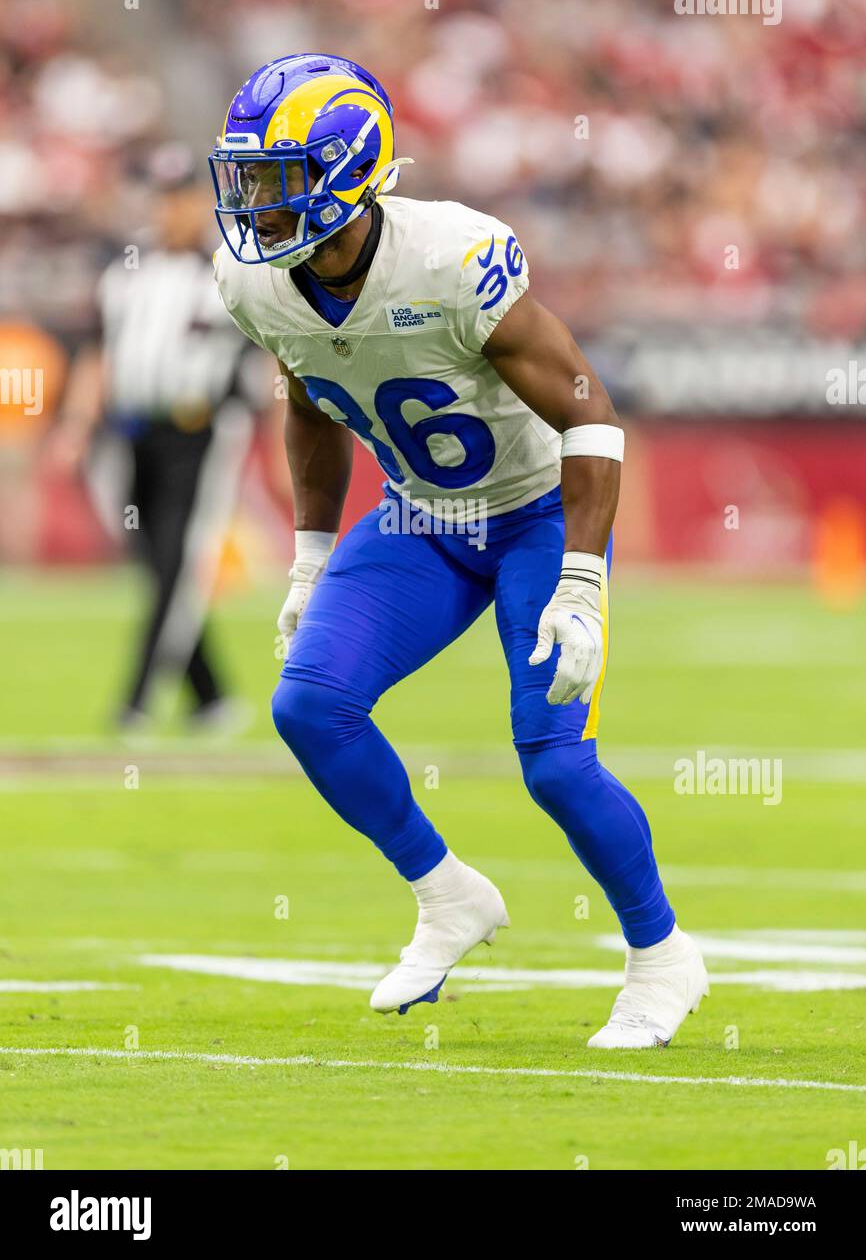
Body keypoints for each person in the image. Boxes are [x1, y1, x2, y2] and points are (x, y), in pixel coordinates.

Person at [211, 53, 709, 1047]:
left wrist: (580, 579)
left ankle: (661, 954)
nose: (254, 204)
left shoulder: (448, 257)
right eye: (247, 179)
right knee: (310, 705)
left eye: (277, 178)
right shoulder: (254, 282)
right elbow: (307, 399)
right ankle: (447, 894)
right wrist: (311, 556)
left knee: (555, 764)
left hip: (534, 513)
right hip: (421, 517)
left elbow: (590, 413)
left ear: (347, 173)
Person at [50, 145, 262, 731]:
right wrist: (76, 425)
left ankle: (136, 703)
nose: (170, 209)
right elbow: (97, 353)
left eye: (181, 197)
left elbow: (269, 356)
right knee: (158, 567)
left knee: (176, 564)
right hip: (131, 437)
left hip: (199, 432)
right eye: (162, 197)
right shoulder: (125, 273)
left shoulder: (230, 271)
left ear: (202, 201)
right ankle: (212, 699)